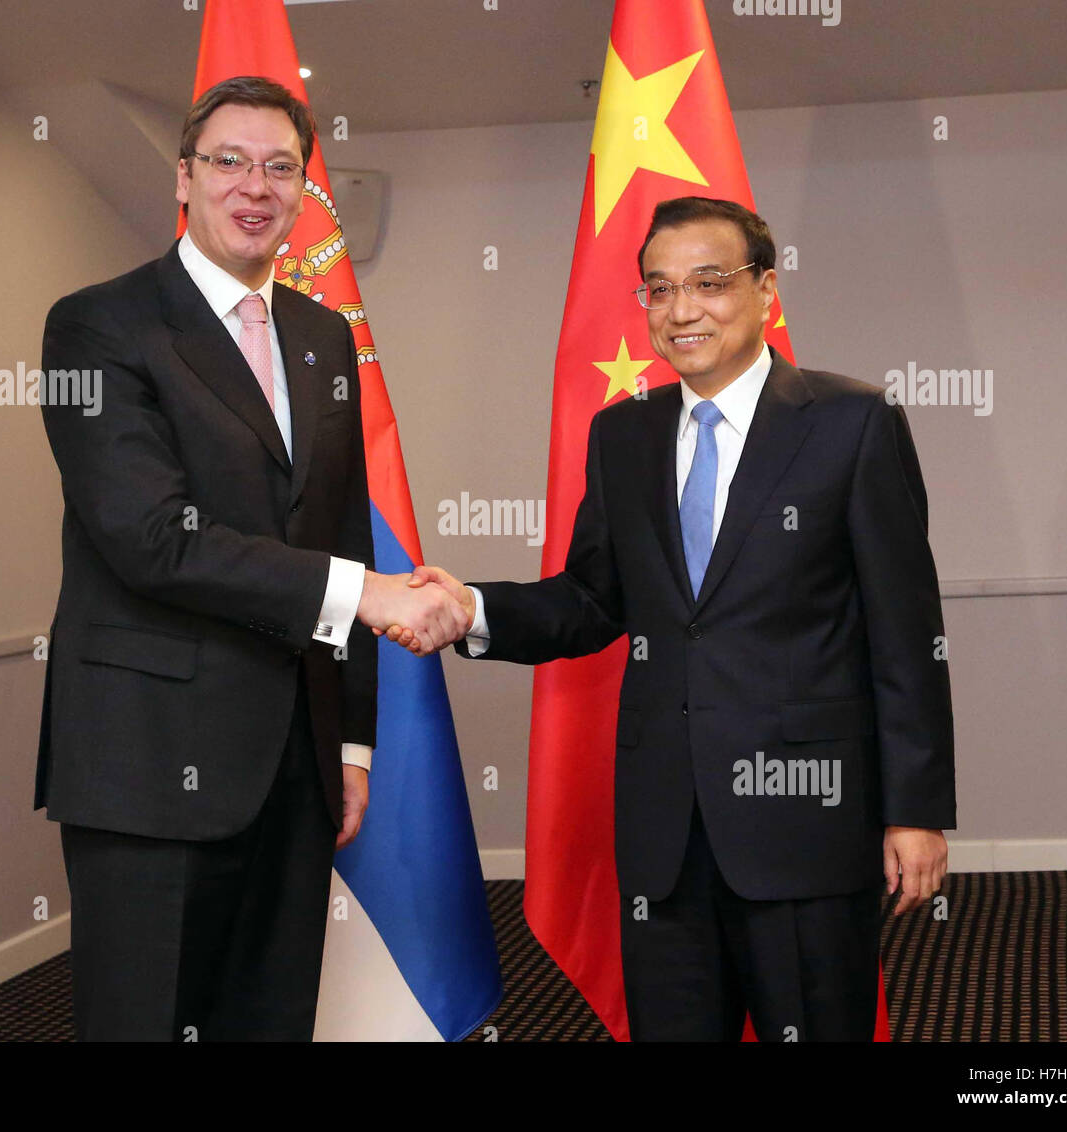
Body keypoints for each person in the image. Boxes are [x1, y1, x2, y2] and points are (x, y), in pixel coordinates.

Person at [393, 197, 956, 1041]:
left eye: (708, 283)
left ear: (766, 290)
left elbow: (907, 634)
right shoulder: (624, 434)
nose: (681, 309)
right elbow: (589, 601)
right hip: (664, 832)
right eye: (658, 289)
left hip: (805, 819)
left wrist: (915, 810)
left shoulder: (852, 423)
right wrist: (468, 608)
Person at [35, 76, 467, 1041]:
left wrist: (350, 742)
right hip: (150, 764)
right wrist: (367, 596)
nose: (255, 185)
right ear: (183, 178)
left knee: (269, 1022)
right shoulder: (96, 326)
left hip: (296, 767)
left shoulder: (321, 337)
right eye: (229, 161)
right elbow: (151, 539)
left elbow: (341, 530)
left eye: (280, 166)